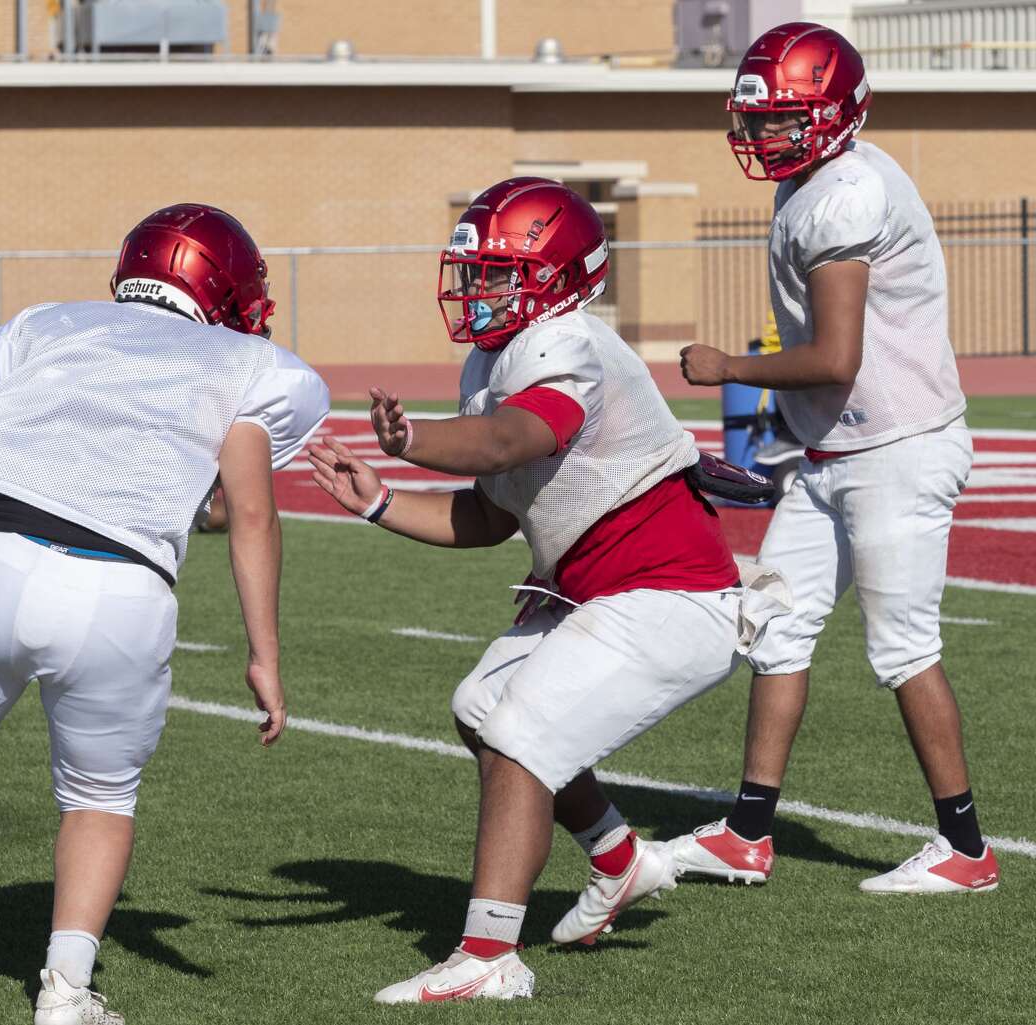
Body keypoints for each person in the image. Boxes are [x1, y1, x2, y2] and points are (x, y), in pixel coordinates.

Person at [0, 203, 330, 1023]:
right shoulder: (247, 361)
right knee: (99, 796)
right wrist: (264, 653)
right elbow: (250, 512)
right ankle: (65, 990)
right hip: (120, 589)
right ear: (223, 286)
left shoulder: (45, 326)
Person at [310, 177, 781, 1003]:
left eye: (497, 273)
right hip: (599, 588)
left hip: (671, 592)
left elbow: (509, 440)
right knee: (480, 708)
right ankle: (618, 856)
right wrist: (378, 500)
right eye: (477, 272)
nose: (479, 290)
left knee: (523, 733)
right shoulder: (494, 357)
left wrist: (411, 438)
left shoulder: (568, 340)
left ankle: (489, 955)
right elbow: (492, 515)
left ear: (556, 276)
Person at [674, 22, 998, 894]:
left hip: (896, 447)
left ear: (830, 113)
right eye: (762, 118)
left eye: (782, 117)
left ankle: (966, 849)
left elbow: (834, 357)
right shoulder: (814, 179)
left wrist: (728, 367)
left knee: (902, 649)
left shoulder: (844, 196)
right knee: (773, 625)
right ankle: (747, 832)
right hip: (837, 450)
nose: (764, 134)